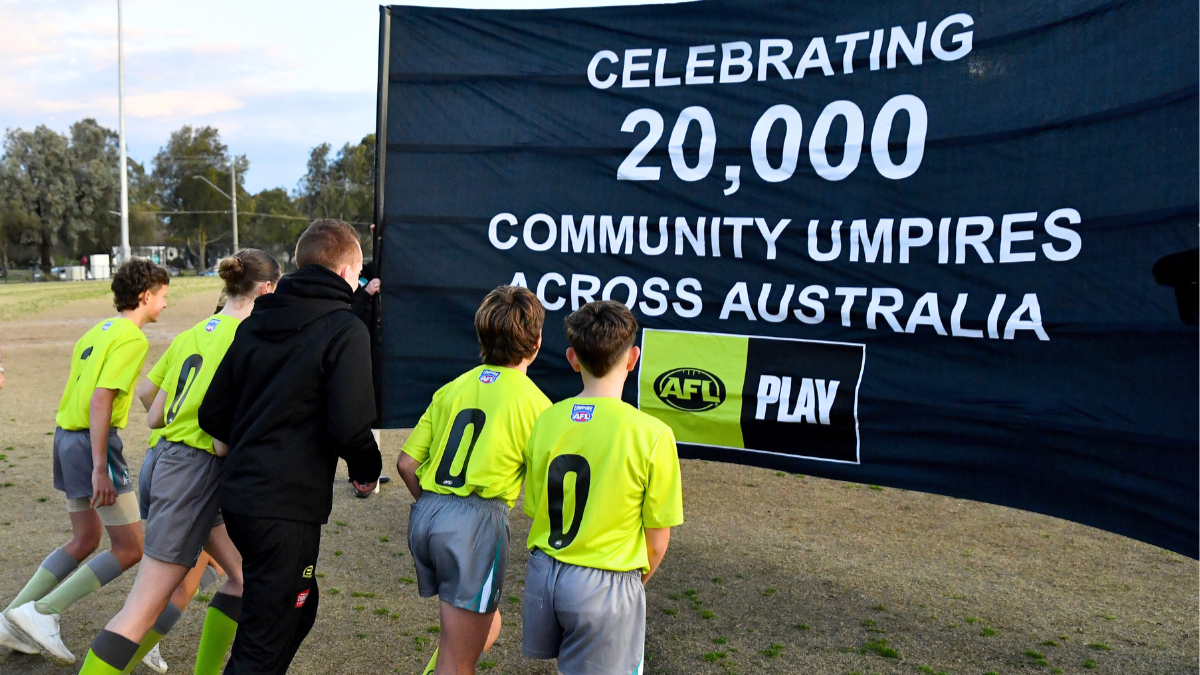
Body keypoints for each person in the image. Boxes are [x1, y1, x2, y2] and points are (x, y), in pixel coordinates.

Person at [76, 250, 281, 675]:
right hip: (192, 472)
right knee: (142, 608)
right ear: (266, 289)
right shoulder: (248, 339)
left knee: (242, 578)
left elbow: (151, 400)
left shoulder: (192, 333)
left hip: (165, 461)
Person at [199, 219, 382, 675]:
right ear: (345, 274)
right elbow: (350, 426)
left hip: (242, 498)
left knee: (298, 606)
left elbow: (212, 414)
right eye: (358, 275)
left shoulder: (256, 320)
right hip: (283, 507)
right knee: (266, 633)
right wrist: (368, 468)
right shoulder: (345, 329)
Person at [0, 259, 170, 665]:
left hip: (65, 437)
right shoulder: (132, 338)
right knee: (130, 547)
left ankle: (11, 619)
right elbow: (101, 398)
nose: (167, 304)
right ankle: (43, 613)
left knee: (84, 539)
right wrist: (99, 466)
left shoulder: (98, 330)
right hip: (92, 444)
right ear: (146, 296)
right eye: (164, 296)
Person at [521, 301, 684, 675]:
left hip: (547, 573)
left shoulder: (547, 420)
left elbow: (538, 507)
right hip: (604, 582)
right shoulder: (653, 434)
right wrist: (624, 588)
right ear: (633, 358)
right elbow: (657, 542)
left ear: (572, 358)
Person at [397, 285, 551, 675]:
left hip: (428, 514)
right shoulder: (537, 405)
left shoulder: (453, 387)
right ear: (536, 343)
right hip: (478, 525)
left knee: (485, 624)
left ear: (481, 336)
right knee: (460, 662)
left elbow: (405, 463)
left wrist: (437, 509)